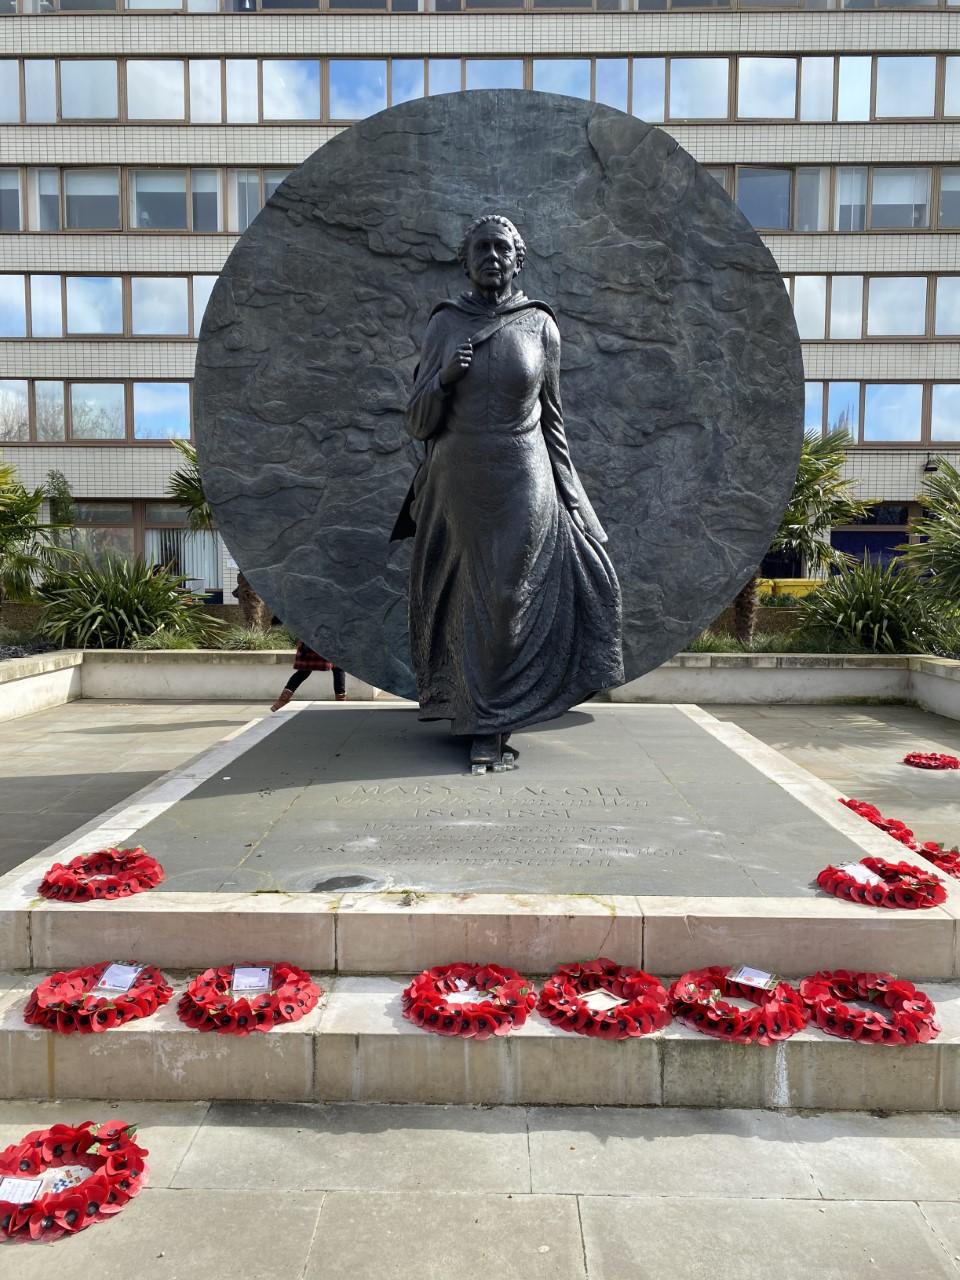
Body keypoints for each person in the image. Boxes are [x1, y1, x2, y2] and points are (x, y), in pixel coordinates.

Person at [391, 214, 623, 770]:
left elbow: (554, 424)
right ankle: (480, 721)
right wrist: (444, 376)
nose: (492, 256)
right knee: (471, 597)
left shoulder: (541, 325)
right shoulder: (445, 323)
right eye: (481, 248)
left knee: (508, 596)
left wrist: (578, 503)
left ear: (519, 259)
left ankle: (496, 716)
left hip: (525, 474)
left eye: (502, 248)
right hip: (459, 479)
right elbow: (418, 423)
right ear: (465, 261)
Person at [271, 641, 346, 711]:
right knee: (338, 668)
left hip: (310, 641)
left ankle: (281, 701)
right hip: (328, 640)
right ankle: (340, 702)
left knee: (303, 672)